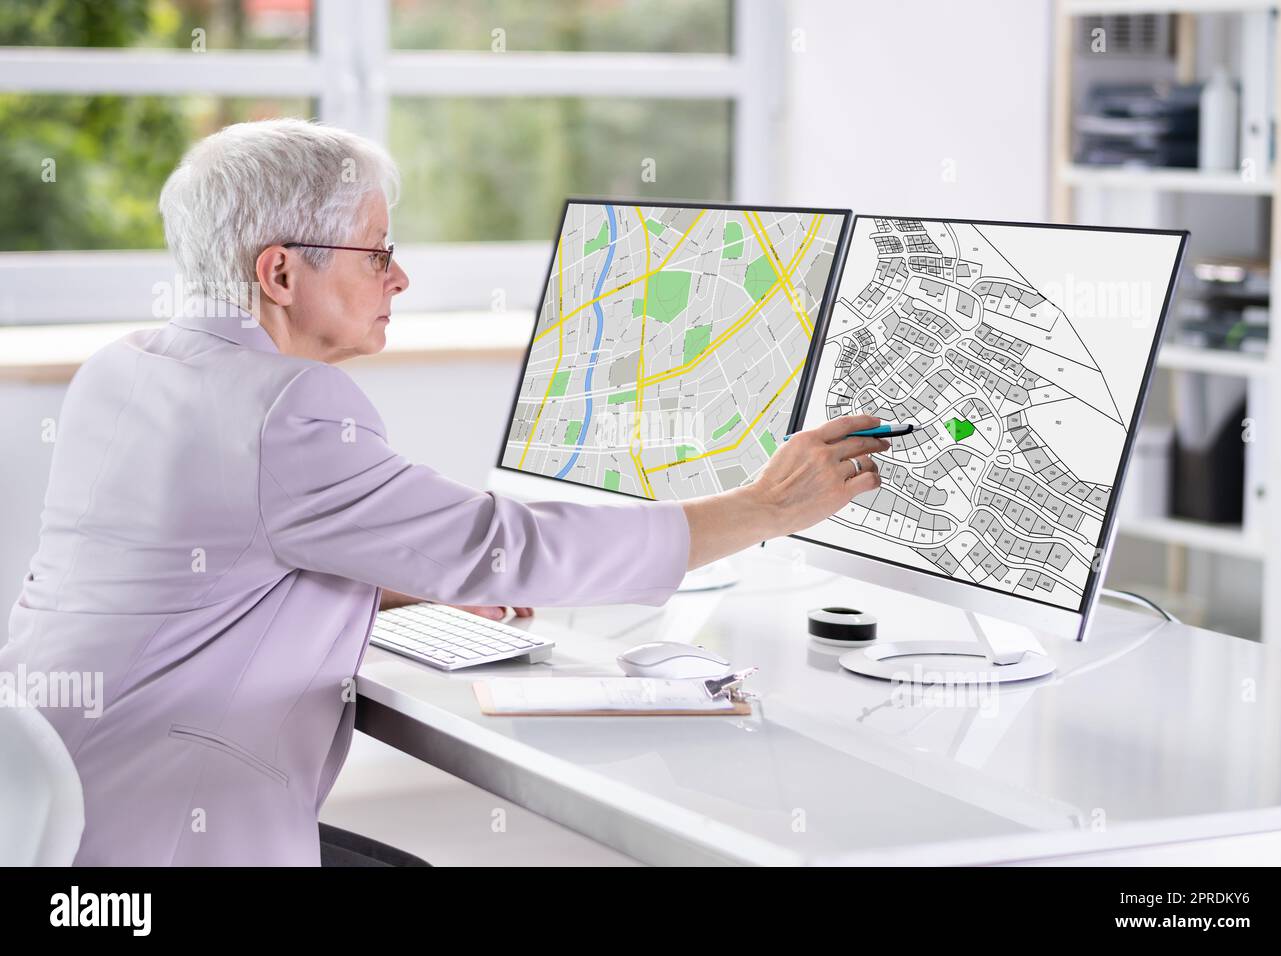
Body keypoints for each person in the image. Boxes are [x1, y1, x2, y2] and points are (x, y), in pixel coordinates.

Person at [1, 119, 886, 866]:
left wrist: (396, 580)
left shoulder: (124, 368)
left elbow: (194, 566)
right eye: (378, 251)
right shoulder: (285, 405)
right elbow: (510, 548)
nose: (400, 277)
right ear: (278, 274)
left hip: (63, 824)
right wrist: (765, 508)